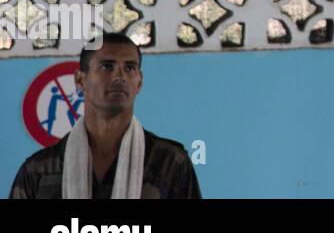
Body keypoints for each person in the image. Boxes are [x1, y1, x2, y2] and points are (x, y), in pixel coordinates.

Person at [9, 33, 202, 199]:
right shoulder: (39, 170)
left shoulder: (170, 163)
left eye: (129, 68)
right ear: (80, 79)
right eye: (107, 67)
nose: (120, 76)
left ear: (139, 82)